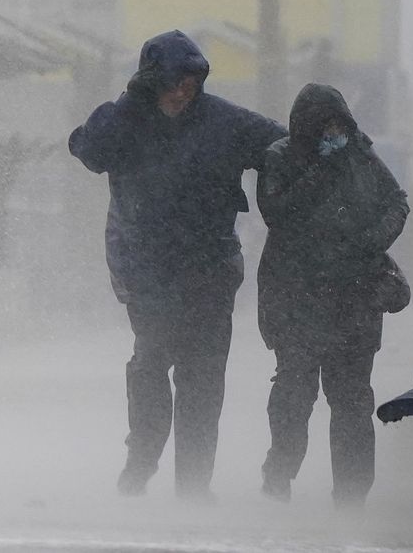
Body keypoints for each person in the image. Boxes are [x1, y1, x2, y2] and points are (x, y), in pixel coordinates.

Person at [68, 29, 286, 500]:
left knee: (202, 379)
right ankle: (143, 456)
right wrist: (130, 102)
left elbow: (284, 146)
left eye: (192, 82)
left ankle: (193, 483)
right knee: (150, 364)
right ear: (151, 82)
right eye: (173, 82)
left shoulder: (224, 122)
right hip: (147, 271)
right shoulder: (127, 122)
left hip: (210, 272)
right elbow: (90, 150)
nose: (183, 91)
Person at [255, 83, 409, 507]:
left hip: (354, 297)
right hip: (296, 297)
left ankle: (351, 498)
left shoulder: (361, 154)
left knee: (352, 400)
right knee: (294, 394)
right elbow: (277, 214)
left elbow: (396, 201)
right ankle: (279, 475)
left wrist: (370, 243)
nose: (332, 134)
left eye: (338, 125)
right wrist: (319, 172)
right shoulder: (281, 157)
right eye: (322, 126)